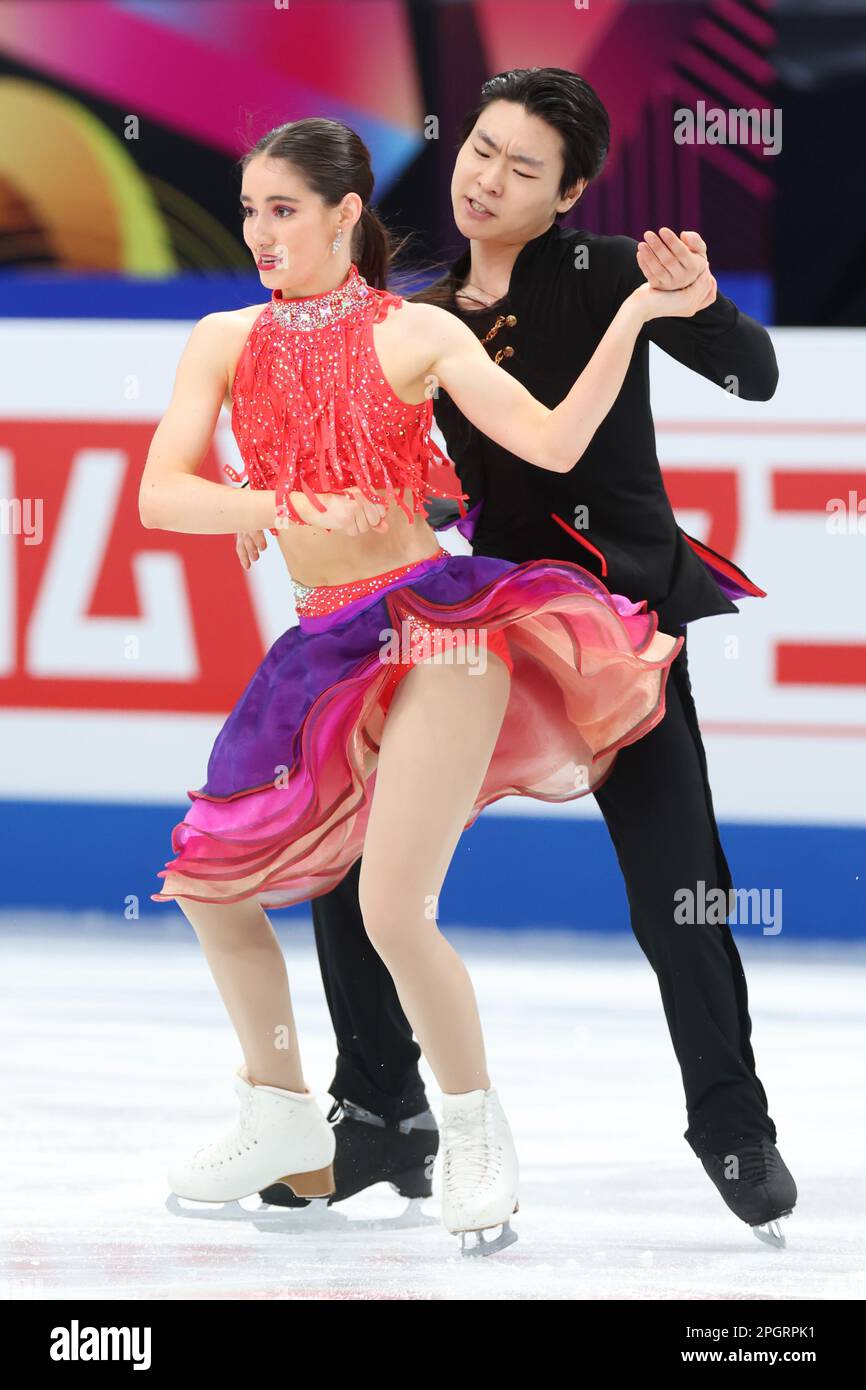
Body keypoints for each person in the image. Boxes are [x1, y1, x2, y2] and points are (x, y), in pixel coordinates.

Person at [241, 73, 796, 1248]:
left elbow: (754, 376)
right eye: (480, 150)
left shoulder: (606, 275)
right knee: (350, 838)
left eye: (522, 167)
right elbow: (401, 466)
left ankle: (730, 1121)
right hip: (482, 626)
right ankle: (381, 1111)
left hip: (610, 625)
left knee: (675, 885)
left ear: (569, 193)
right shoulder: (423, 314)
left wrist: (699, 305)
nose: (486, 179)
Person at [141, 115, 711, 1253]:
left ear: (345, 214)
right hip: (321, 641)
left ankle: (473, 1130)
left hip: (437, 626)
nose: (259, 232)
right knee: (207, 880)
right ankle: (276, 1107)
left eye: (283, 210)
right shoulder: (222, 338)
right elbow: (164, 493)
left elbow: (554, 443)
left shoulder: (416, 332)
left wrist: (635, 316)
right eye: (249, 210)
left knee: (392, 908)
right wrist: (268, 504)